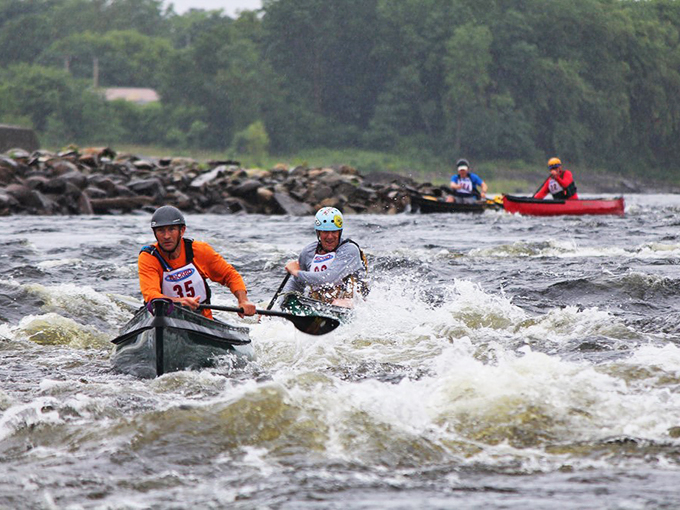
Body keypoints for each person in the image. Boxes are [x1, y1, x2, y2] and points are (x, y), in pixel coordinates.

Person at [138, 205, 256, 319]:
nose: (166, 236)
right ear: (155, 233)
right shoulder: (149, 257)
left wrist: (243, 300)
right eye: (161, 230)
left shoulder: (200, 251)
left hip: (202, 318)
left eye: (172, 229)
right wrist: (180, 301)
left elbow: (230, 275)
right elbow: (151, 295)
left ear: (182, 230)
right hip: (166, 316)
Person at [282, 207, 369, 307]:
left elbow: (329, 278)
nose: (330, 237)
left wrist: (296, 272)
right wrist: (282, 303)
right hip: (320, 304)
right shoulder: (308, 252)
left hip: (351, 303)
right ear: (318, 232)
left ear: (340, 232)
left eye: (334, 232)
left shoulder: (349, 250)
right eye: (325, 232)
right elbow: (296, 283)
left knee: (338, 303)